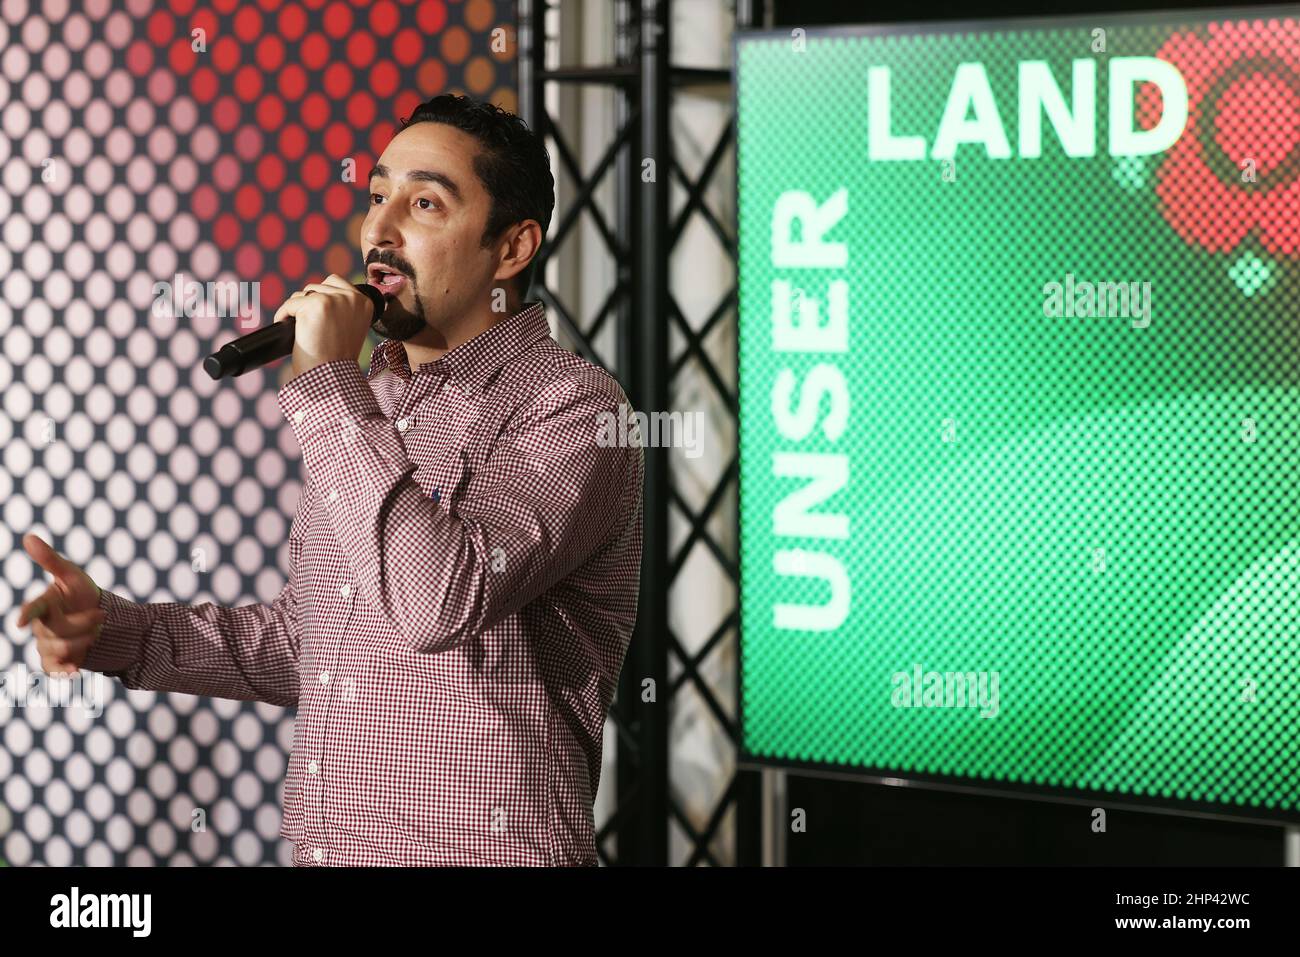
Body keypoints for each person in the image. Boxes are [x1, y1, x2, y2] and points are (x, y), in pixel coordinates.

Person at [16, 94, 645, 867]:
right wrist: (115, 631)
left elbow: (437, 604)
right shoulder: (373, 400)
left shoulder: (571, 405)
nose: (379, 231)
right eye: (377, 196)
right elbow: (313, 643)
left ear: (512, 248)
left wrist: (325, 389)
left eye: (423, 203)